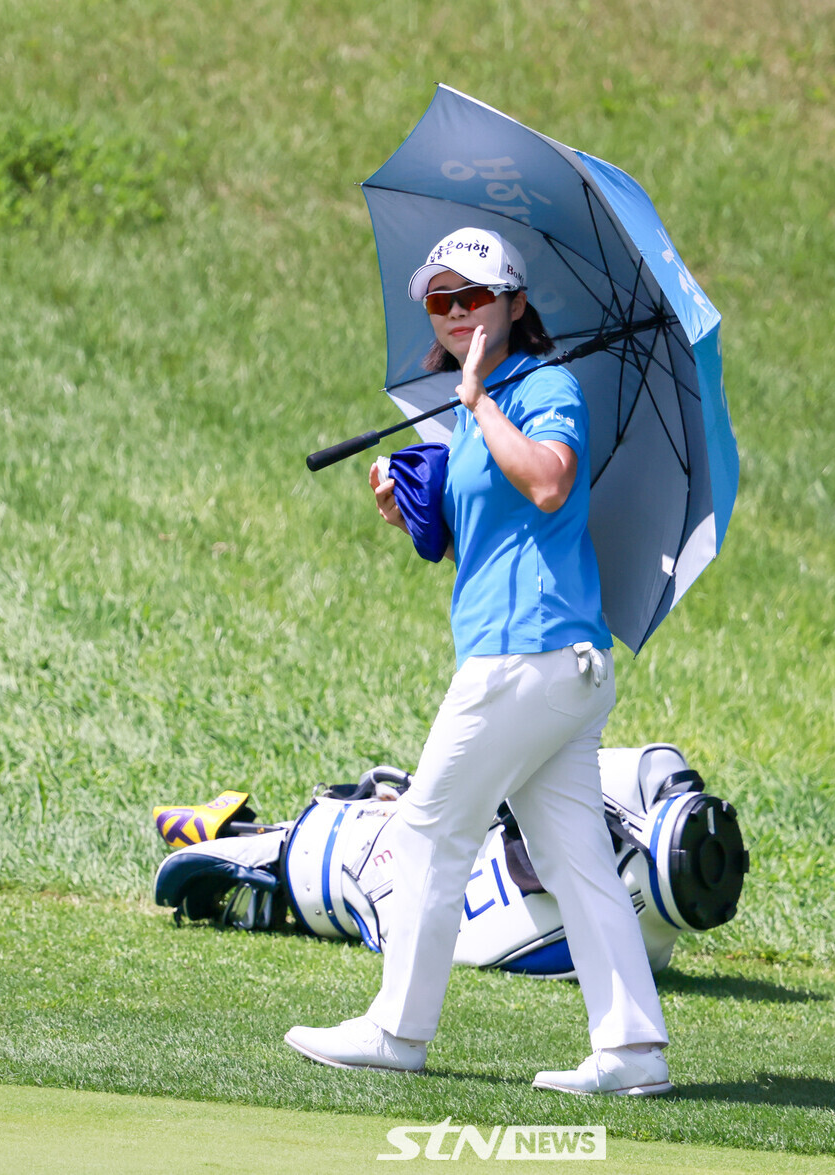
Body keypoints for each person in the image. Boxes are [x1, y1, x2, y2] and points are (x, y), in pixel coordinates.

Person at [284, 227, 672, 1096]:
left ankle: (397, 1030)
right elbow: (492, 537)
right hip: (543, 659)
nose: (458, 313)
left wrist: (480, 402)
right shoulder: (476, 407)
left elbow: (549, 482)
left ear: (515, 305)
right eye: (441, 301)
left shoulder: (545, 386)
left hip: (526, 654)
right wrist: (411, 508)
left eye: (475, 297)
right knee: (571, 853)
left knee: (428, 828)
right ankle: (632, 1050)